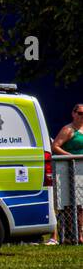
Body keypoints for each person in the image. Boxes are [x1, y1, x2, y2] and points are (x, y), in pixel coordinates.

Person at [50, 103, 83, 244]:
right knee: (75, 205)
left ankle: (79, 233)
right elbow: (55, 146)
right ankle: (73, 235)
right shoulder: (68, 130)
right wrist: (71, 157)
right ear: (74, 114)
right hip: (71, 171)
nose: (82, 116)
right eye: (80, 113)